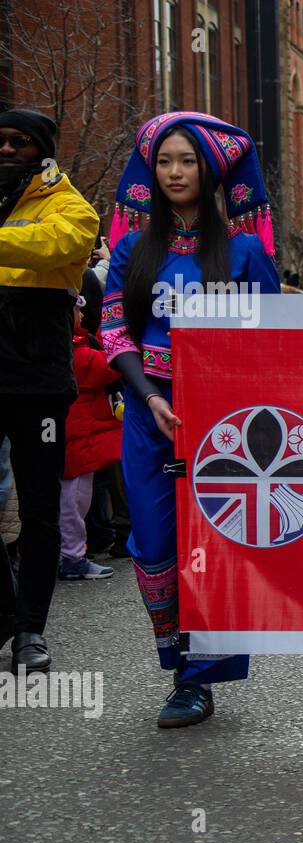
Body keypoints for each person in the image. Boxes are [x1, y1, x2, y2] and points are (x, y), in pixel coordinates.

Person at [100, 111, 280, 727]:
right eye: (166, 162)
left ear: (209, 171)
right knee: (153, 544)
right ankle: (174, 655)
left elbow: (272, 337)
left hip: (224, 425)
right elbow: (113, 328)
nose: (176, 172)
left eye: (188, 161)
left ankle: (197, 680)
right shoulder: (131, 248)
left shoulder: (245, 251)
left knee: (214, 545)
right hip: (150, 415)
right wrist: (148, 395)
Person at [0, 108, 99, 674]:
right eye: (2, 141)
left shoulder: (71, 205)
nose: (10, 149)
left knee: (39, 509)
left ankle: (29, 632)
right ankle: (7, 611)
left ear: (42, 149)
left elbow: (53, 246)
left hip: (38, 379)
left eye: (21, 142)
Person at [58, 291, 119, 581]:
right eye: (78, 311)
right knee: (75, 500)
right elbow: (110, 366)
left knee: (70, 498)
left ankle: (67, 552)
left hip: (72, 436)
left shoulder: (70, 347)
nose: (82, 315)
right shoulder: (77, 352)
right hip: (80, 440)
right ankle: (72, 556)